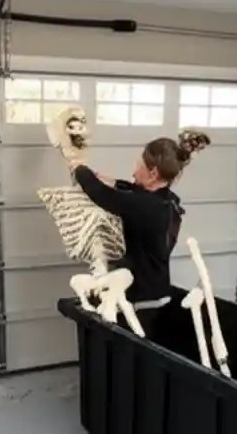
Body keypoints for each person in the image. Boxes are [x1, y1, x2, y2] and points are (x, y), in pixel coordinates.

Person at [69, 130, 209, 335]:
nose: (134, 173)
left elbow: (102, 195)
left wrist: (79, 168)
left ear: (153, 174)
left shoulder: (143, 206)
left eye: (138, 167)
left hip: (142, 304)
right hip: (158, 292)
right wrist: (111, 181)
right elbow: (133, 190)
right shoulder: (168, 201)